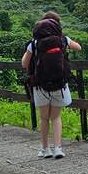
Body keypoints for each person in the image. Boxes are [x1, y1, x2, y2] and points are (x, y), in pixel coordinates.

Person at [21, 11, 81, 159]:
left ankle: (45, 149)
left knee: (43, 118)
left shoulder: (34, 44)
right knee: (56, 117)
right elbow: (78, 47)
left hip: (40, 85)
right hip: (59, 84)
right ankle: (58, 148)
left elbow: (24, 63)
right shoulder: (63, 40)